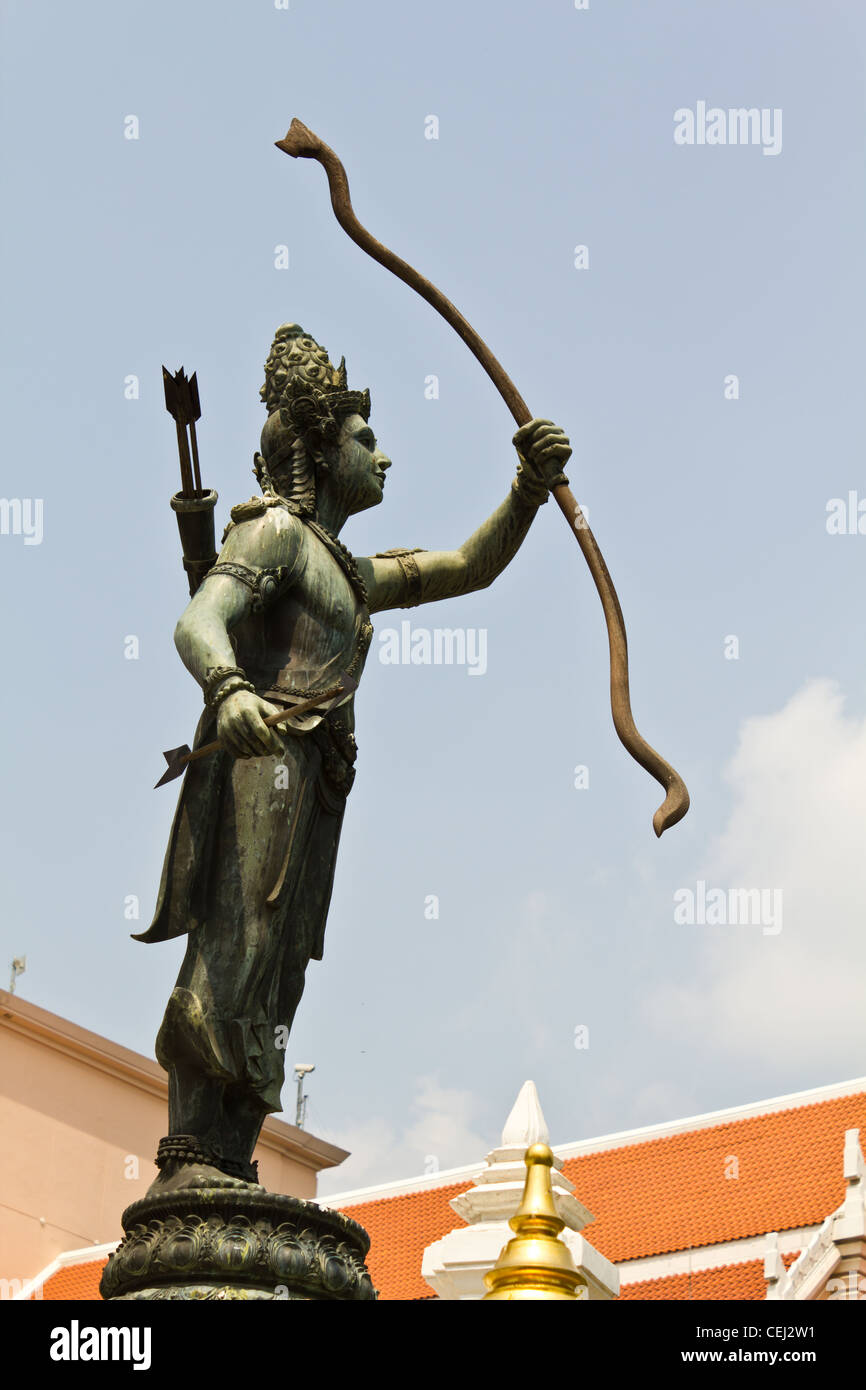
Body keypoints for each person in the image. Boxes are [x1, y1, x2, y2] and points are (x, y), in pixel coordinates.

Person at [136, 322, 571, 1190]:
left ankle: (229, 1153)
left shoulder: (349, 568)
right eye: (365, 441)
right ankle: (190, 1155)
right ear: (317, 452)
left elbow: (467, 567)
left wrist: (527, 487)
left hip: (317, 785)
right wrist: (230, 690)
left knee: (283, 965)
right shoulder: (273, 534)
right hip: (263, 760)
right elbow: (198, 621)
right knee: (239, 943)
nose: (384, 459)